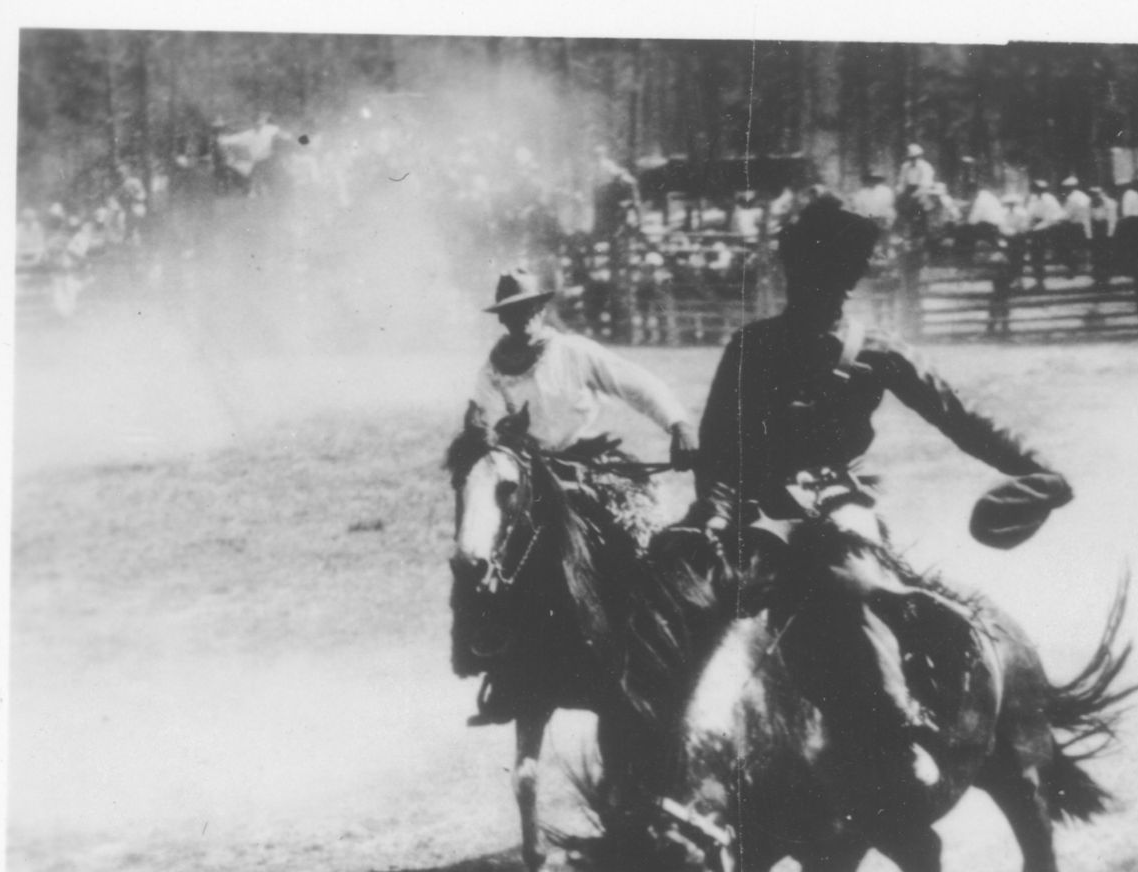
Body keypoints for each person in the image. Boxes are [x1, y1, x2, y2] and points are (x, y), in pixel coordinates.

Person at [670, 197, 1072, 785]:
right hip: (751, 508)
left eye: (833, 271)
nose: (818, 284)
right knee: (682, 591)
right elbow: (716, 447)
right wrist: (711, 514)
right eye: (807, 269)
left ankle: (899, 726)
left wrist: (1038, 468)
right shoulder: (750, 345)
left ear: (849, 278)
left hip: (836, 507)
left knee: (854, 585)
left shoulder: (878, 351)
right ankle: (662, 748)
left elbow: (963, 418)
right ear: (792, 272)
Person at [452, 267, 700, 724]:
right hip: (524, 474)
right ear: (502, 319)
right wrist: (480, 434)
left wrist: (677, 424)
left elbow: (637, 385)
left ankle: (654, 655)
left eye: (527, 309)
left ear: (542, 309)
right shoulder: (493, 368)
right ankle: (495, 663)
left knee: (639, 548)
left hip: (588, 469)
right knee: (478, 555)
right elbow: (480, 420)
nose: (519, 319)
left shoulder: (574, 352)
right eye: (510, 313)